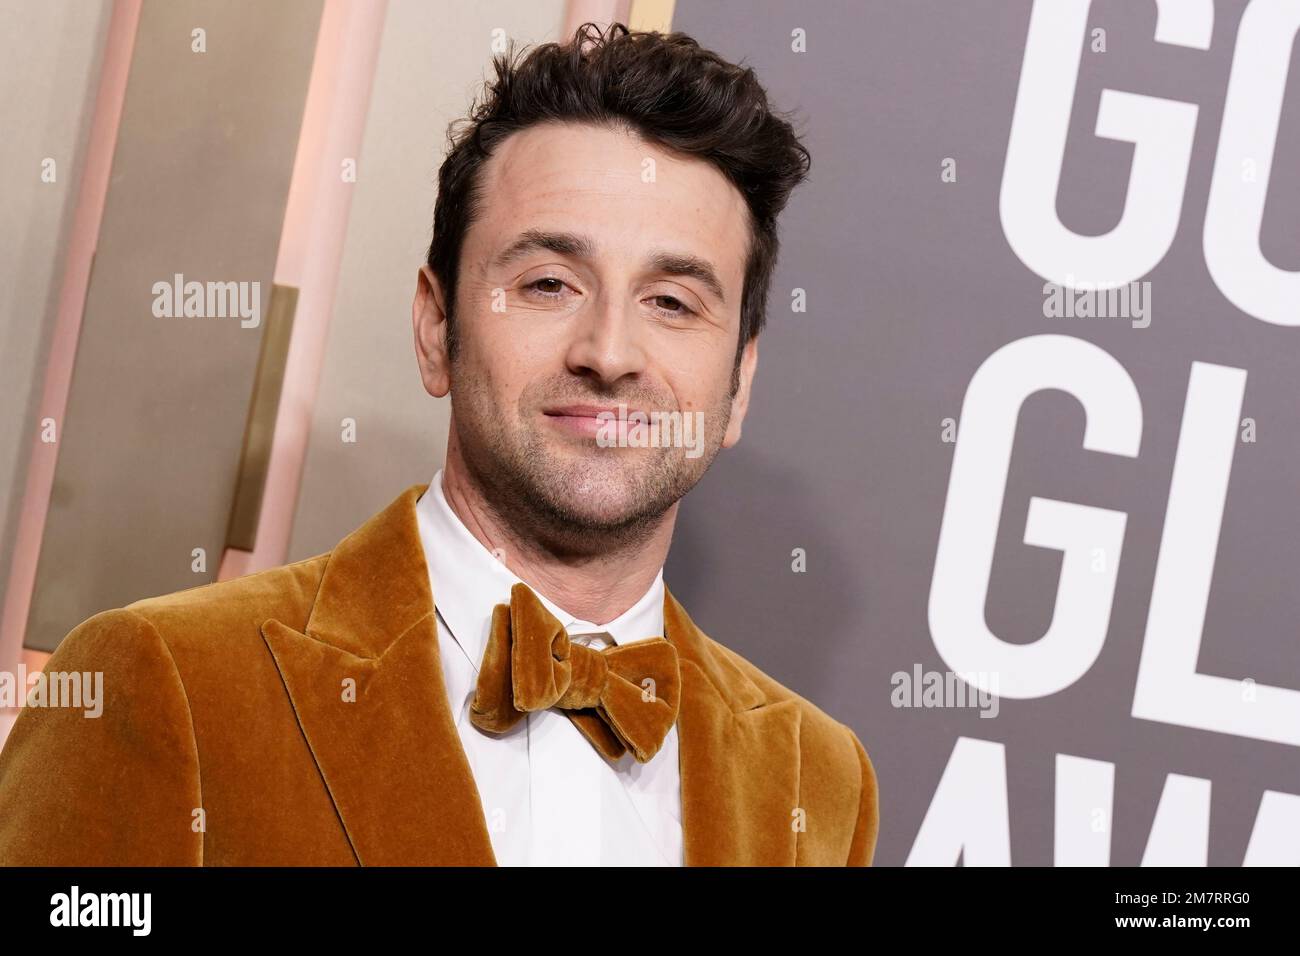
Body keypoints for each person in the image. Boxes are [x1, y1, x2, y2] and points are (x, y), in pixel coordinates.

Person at [0, 21, 878, 866]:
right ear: (435, 328)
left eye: (673, 302)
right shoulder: (167, 682)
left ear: (739, 384)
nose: (609, 352)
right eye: (548, 283)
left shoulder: (819, 778)